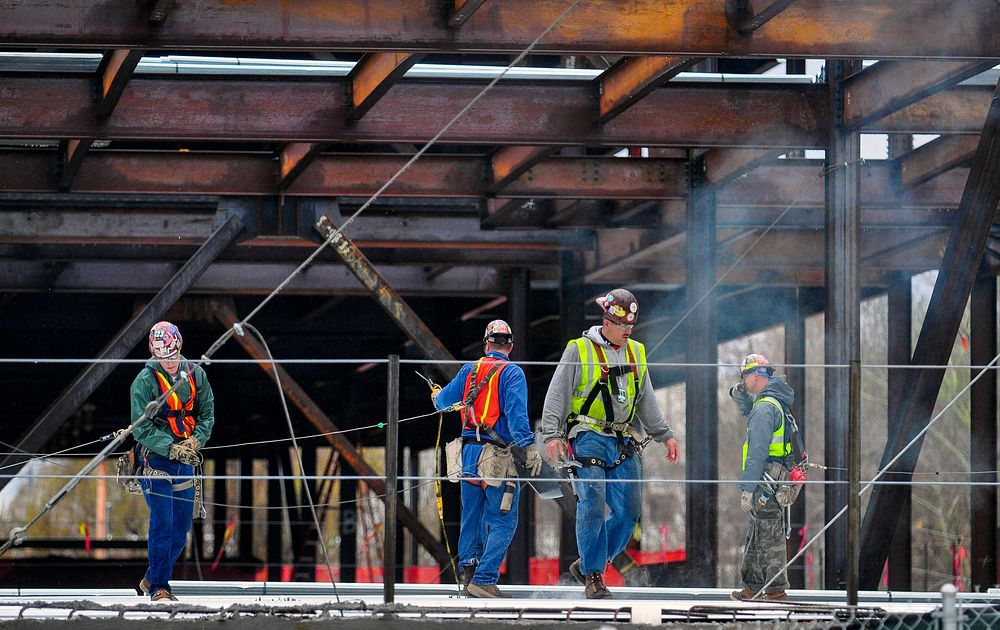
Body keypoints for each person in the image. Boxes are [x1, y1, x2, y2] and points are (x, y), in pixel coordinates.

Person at [539, 289, 680, 599]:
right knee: (590, 504)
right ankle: (593, 575)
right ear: (606, 320)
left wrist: (664, 434)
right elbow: (558, 393)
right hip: (588, 436)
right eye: (621, 325)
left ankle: (593, 561)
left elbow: (645, 399)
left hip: (623, 438)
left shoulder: (636, 353)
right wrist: (552, 434)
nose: (628, 331)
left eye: (631, 325)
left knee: (629, 511)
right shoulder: (579, 350)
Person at [431, 319, 542, 599]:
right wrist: (529, 448)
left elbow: (443, 403)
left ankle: (470, 574)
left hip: (468, 454)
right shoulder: (512, 372)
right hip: (497, 457)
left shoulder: (470, 370)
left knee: (472, 517)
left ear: (486, 344)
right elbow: (517, 418)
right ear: (511, 346)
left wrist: (436, 395)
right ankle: (484, 579)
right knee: (503, 519)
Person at [131, 321, 215, 602]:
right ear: (153, 352)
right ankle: (160, 587)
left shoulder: (196, 375)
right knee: (163, 522)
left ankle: (151, 576)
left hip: (186, 460)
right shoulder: (144, 381)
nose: (167, 361)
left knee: (181, 529)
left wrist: (196, 440)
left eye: (171, 354)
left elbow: (207, 414)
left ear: (179, 346)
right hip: (154, 460)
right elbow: (141, 428)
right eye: (161, 355)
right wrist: (170, 448)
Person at [728, 353, 795, 601]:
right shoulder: (773, 402)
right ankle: (752, 586)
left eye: (745, 376)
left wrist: (748, 487)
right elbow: (751, 412)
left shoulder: (766, 408)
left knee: (769, 535)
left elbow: (757, 450)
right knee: (758, 532)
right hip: (774, 476)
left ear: (755, 375)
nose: (744, 381)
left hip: (766, 478)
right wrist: (740, 396)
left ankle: (776, 590)